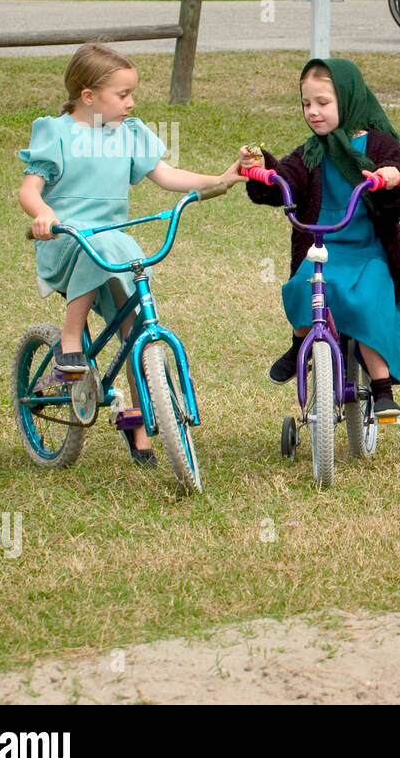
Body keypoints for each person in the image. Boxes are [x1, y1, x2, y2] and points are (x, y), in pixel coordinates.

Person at [19, 43, 245, 464]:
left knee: (135, 333)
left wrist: (221, 179)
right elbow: (30, 188)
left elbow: (167, 175)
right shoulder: (56, 132)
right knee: (102, 242)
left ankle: (137, 422)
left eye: (131, 93)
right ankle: (71, 337)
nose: (131, 102)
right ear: (88, 96)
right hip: (68, 241)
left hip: (113, 245)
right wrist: (43, 212)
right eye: (122, 94)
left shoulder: (129, 133)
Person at [241, 58, 400, 421]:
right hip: (323, 246)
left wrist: (393, 178)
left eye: (323, 102)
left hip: (369, 249)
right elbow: (286, 182)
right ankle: (299, 345)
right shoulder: (312, 150)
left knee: (370, 295)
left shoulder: (380, 145)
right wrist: (263, 172)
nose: (313, 112)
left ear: (348, 97)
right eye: (306, 103)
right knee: (303, 284)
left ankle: (382, 389)